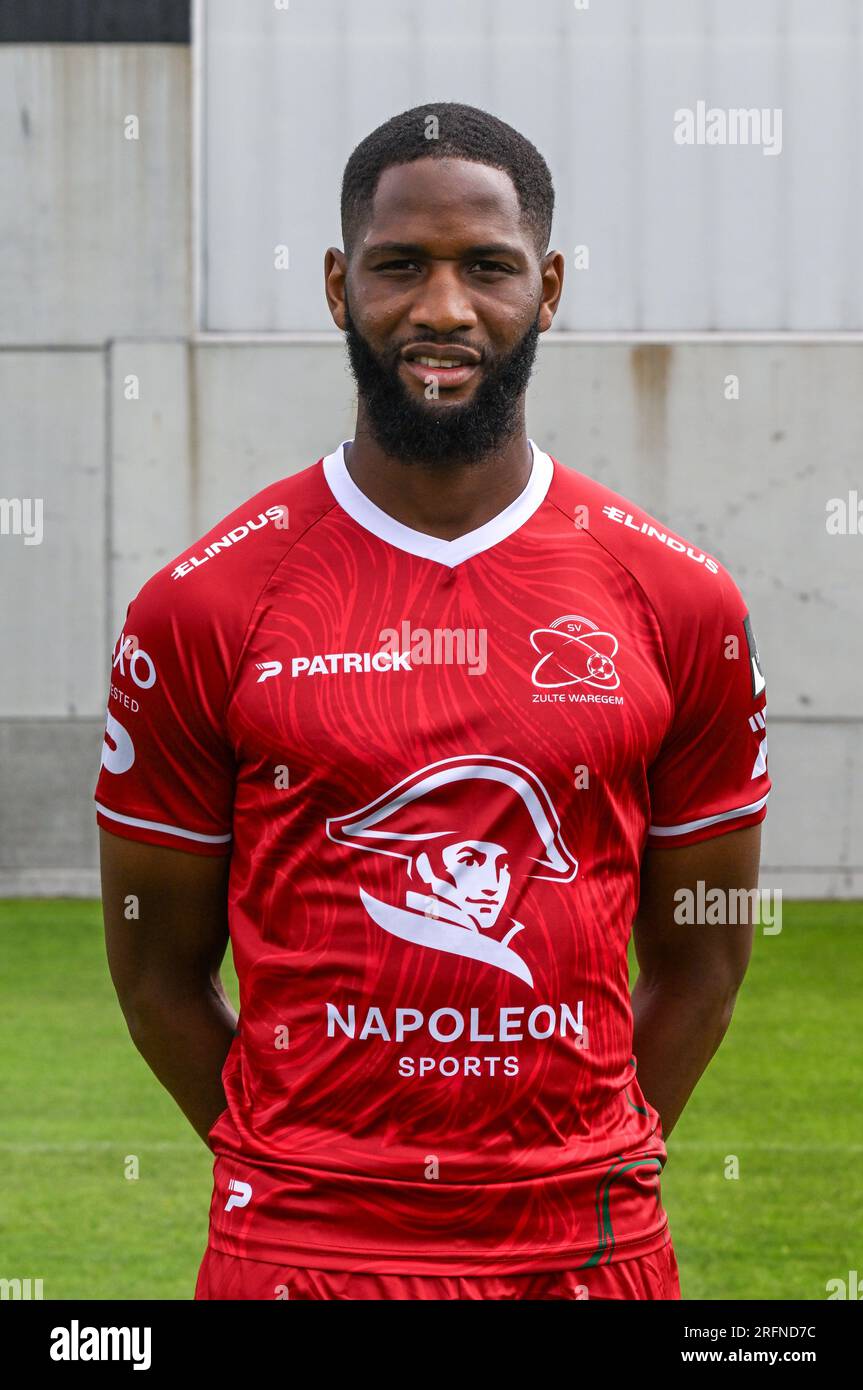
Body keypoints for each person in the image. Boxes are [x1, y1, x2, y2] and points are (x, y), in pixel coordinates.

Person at [95, 102, 771, 1301]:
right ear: (335, 284)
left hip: (586, 1247)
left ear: (548, 287)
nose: (442, 310)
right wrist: (307, 1178)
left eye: (487, 268)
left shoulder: (674, 597)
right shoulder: (204, 604)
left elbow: (705, 956)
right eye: (399, 265)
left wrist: (583, 1172)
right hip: (298, 1252)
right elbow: (155, 977)